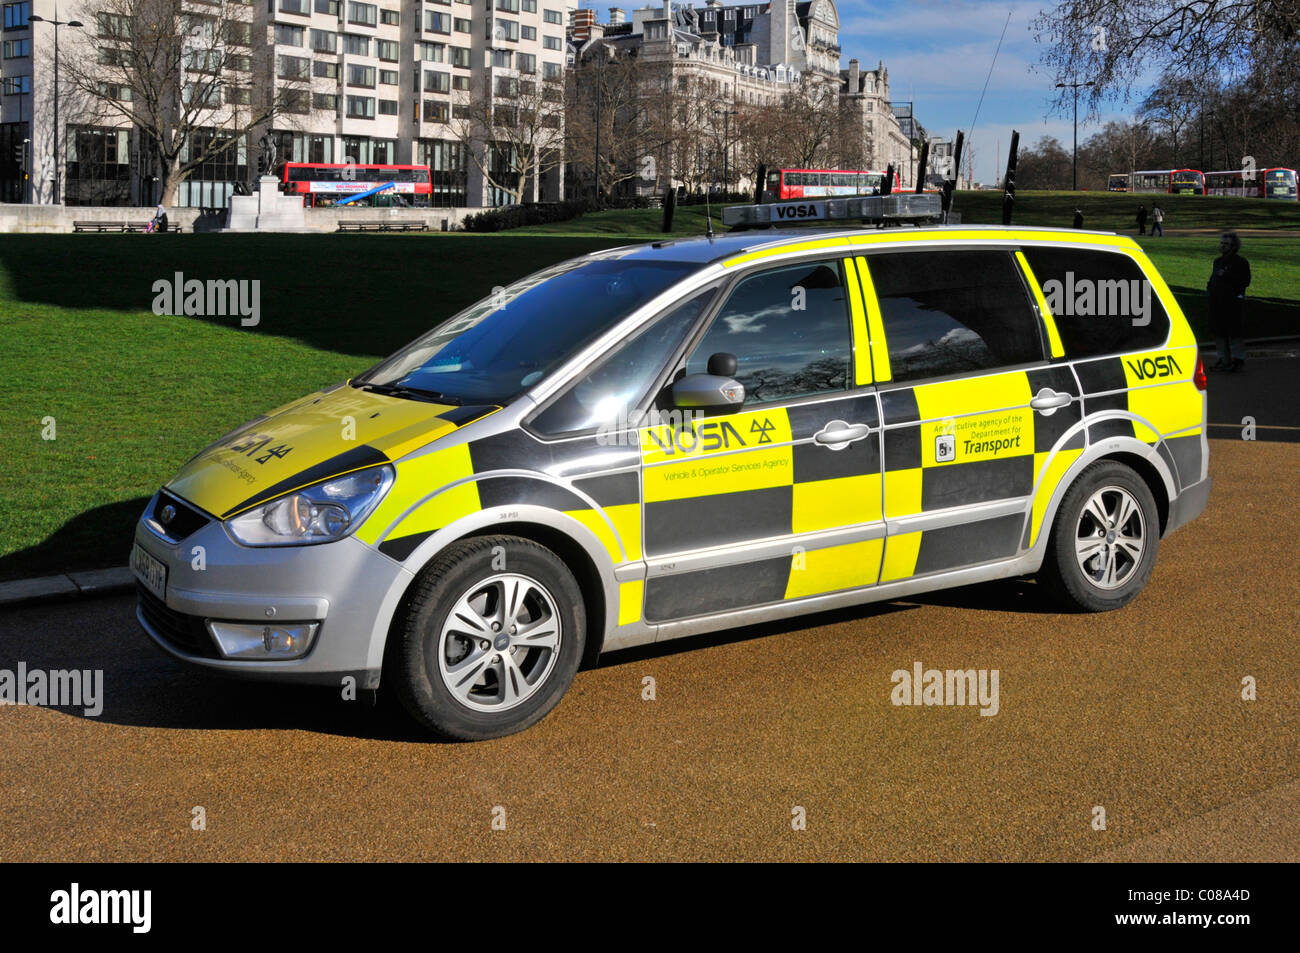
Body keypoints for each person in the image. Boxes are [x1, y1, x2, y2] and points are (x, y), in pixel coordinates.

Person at [1206, 231, 1251, 372]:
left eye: (1226, 244)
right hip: (1216, 301)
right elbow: (1214, 278)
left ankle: (1237, 359)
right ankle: (1224, 359)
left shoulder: (1240, 262)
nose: (1223, 246)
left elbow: (1245, 281)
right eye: (1222, 243)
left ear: (1234, 246)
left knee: (1234, 333)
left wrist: (1227, 276)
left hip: (1231, 302)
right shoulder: (1217, 261)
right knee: (1219, 332)